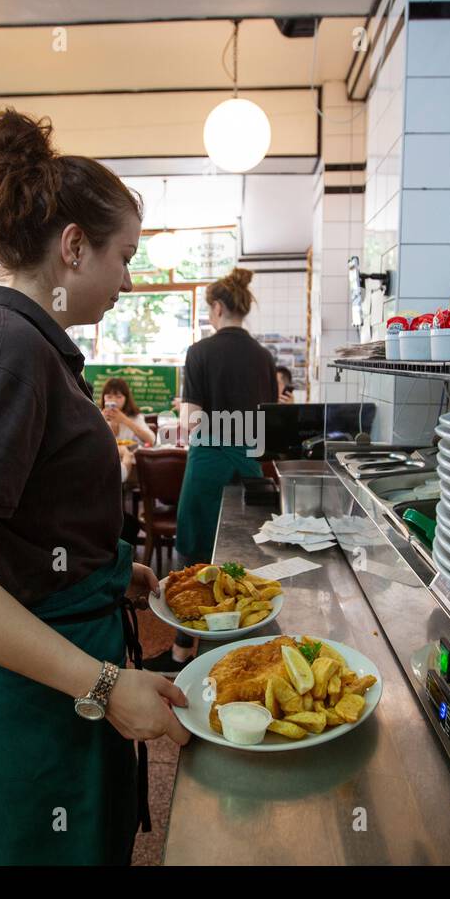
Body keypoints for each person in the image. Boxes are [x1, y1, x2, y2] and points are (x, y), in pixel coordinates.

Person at [0, 108, 189, 866]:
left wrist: (102, 568)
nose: (128, 280)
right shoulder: (8, 356)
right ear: (72, 247)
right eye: (123, 256)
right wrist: (100, 683)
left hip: (72, 659)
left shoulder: (39, 349)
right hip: (47, 688)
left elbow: (29, 519)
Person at [153, 268, 275, 673]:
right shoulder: (263, 357)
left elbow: (192, 422)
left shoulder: (200, 352)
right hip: (250, 464)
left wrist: (183, 408)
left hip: (209, 463)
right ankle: (237, 650)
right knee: (242, 558)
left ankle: (181, 653)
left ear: (218, 308)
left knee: (195, 560)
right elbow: (268, 421)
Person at [100, 377, 156, 445]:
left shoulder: (135, 417)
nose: (113, 401)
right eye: (109, 397)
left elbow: (152, 440)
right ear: (103, 398)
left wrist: (125, 420)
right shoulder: (98, 416)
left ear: (126, 398)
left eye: (118, 397)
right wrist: (100, 421)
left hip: (131, 453)